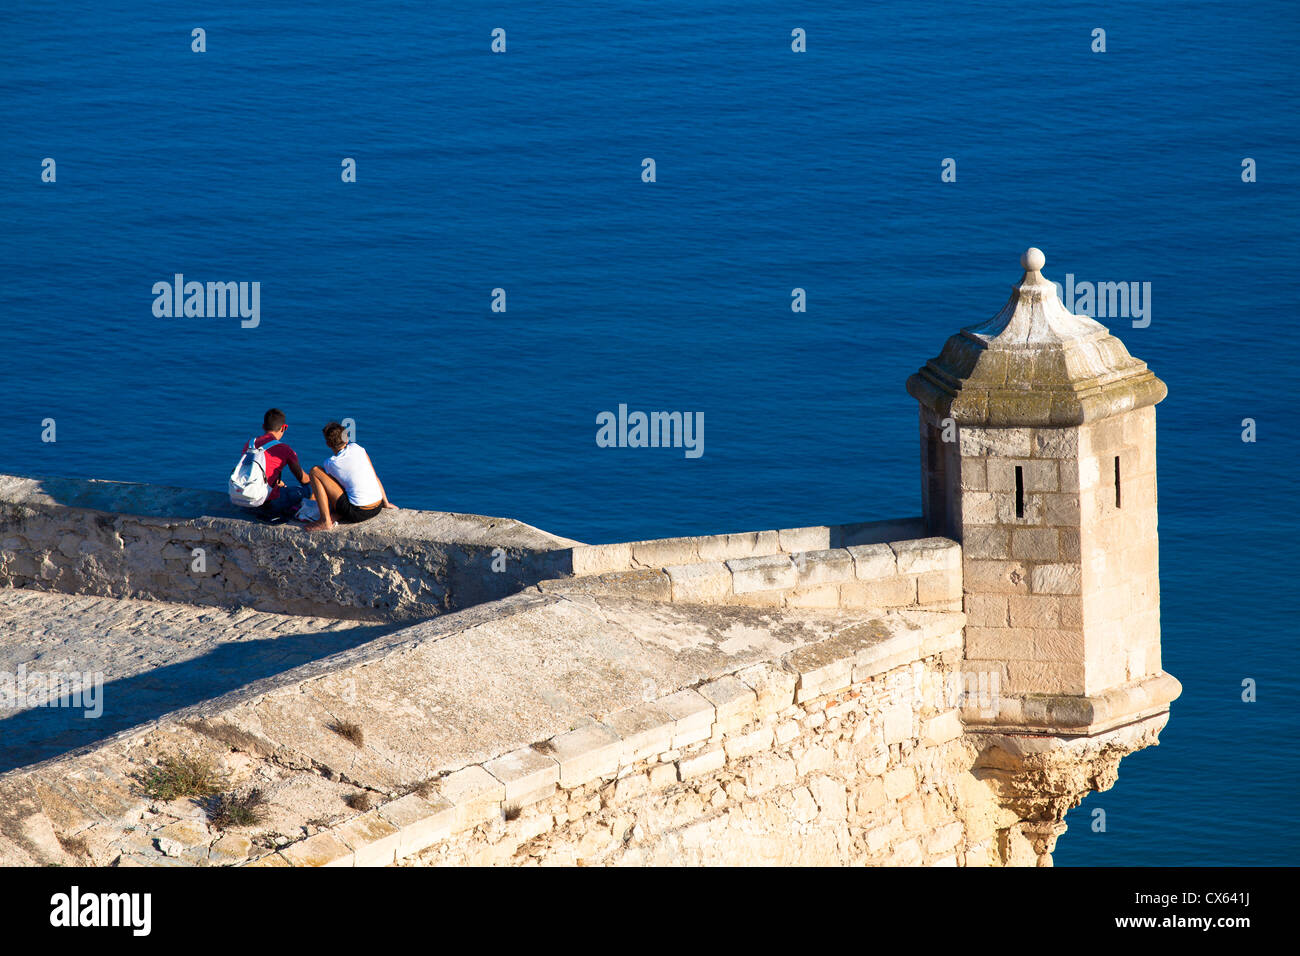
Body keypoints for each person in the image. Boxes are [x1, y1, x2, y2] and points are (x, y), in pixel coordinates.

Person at [303, 422, 395, 531]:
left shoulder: (330, 463)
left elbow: (331, 489)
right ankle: (337, 515)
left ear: (328, 444)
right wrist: (385, 503)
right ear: (347, 439)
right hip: (377, 506)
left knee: (315, 471)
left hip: (358, 513)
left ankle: (325, 521)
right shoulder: (358, 449)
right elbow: (374, 475)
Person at [245, 408, 310, 522]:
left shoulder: (250, 444)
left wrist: (276, 483)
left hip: (246, 497)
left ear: (263, 427)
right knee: (306, 490)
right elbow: (303, 479)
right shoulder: (284, 449)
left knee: (282, 487)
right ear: (284, 428)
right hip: (268, 502)